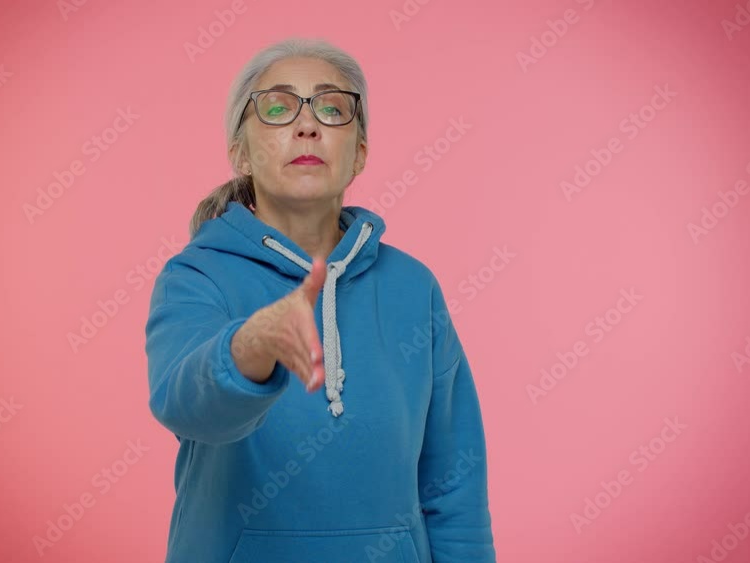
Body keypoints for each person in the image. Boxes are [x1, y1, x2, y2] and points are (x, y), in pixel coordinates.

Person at [144, 37, 496, 563]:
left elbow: (453, 480)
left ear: (359, 153)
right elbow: (186, 407)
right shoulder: (197, 275)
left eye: (332, 108)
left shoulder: (413, 286)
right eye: (278, 107)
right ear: (240, 152)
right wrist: (251, 346)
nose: (307, 125)